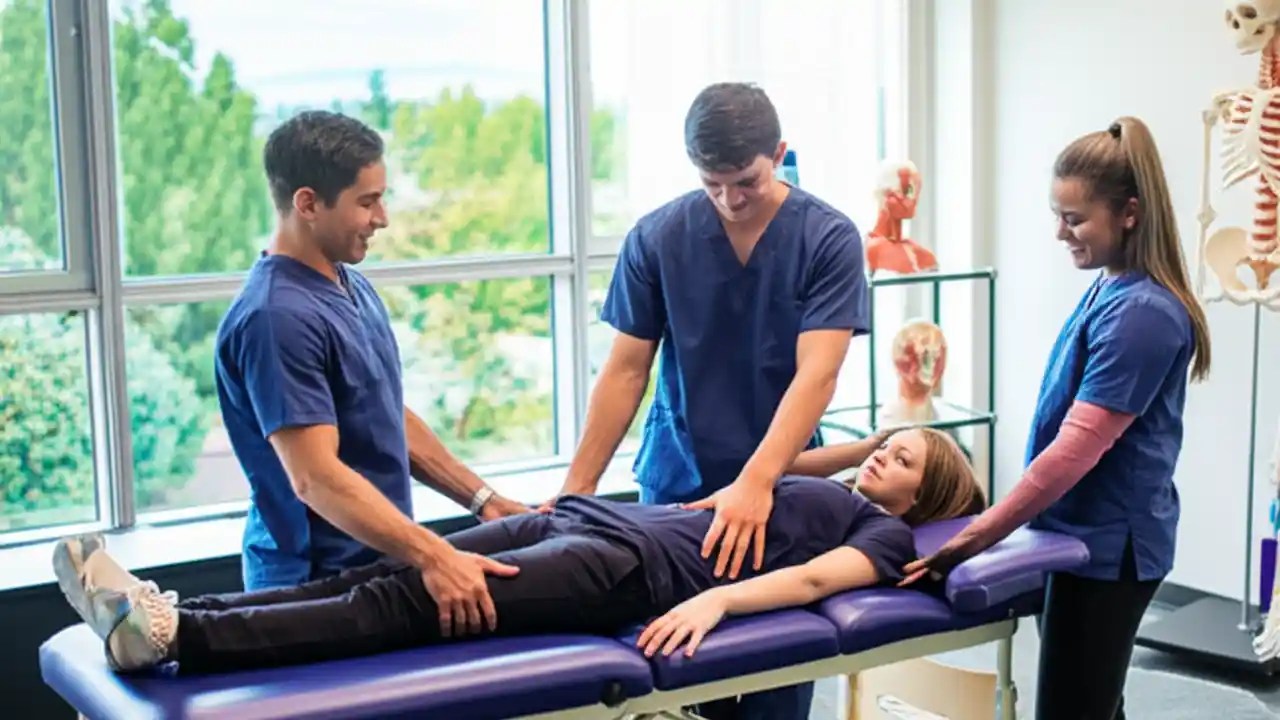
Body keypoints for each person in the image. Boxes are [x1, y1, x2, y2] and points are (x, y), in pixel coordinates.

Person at [52, 427, 983, 676]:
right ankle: (168, 612)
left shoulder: (883, 532)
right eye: (888, 441)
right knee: (389, 568)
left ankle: (182, 641)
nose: (885, 453)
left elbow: (821, 580)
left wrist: (714, 602)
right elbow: (778, 461)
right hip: (589, 518)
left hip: (631, 573)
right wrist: (866, 449)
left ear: (925, 497)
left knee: (402, 609)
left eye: (906, 458)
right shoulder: (832, 482)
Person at [551, 81, 870, 720]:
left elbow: (819, 374)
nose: (729, 199)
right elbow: (624, 371)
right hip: (678, 483)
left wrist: (756, 481)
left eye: (745, 181)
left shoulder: (828, 238)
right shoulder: (658, 236)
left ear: (778, 153)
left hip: (779, 489)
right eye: (711, 184)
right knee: (679, 675)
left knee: (778, 680)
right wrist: (576, 492)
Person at [900, 116, 1212, 720]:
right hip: (1076, 534)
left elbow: (1076, 450)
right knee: (1091, 704)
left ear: (1129, 213)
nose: (1060, 233)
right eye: (1057, 215)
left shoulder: (1143, 313)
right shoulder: (1111, 284)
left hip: (1108, 548)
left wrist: (978, 535)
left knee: (1073, 709)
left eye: (1074, 220)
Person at [212, 110, 530, 630]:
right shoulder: (277, 317)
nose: (382, 218)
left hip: (378, 566)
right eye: (366, 202)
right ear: (308, 204)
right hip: (313, 585)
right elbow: (315, 477)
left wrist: (482, 500)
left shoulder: (349, 284)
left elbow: (382, 412)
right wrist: (436, 556)